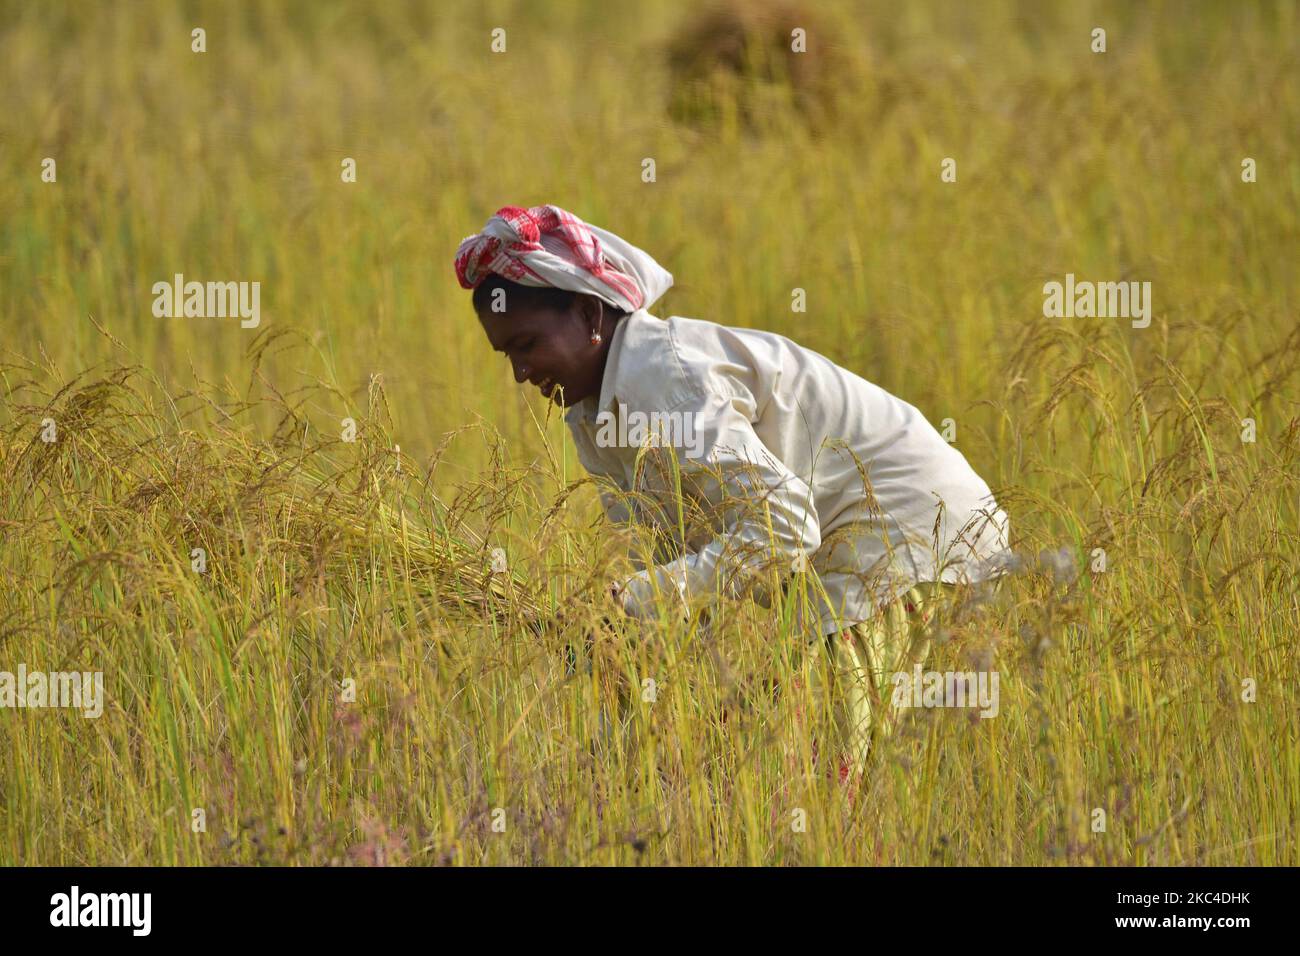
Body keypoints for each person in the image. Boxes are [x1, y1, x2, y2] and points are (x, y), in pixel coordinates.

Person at [455, 203, 1011, 780]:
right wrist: (609, 635)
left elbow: (785, 527)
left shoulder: (663, 377)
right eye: (507, 357)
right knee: (766, 752)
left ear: (589, 313)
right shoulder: (590, 414)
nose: (520, 374)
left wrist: (631, 604)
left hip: (913, 528)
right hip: (856, 552)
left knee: (826, 776)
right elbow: (666, 560)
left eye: (526, 346)